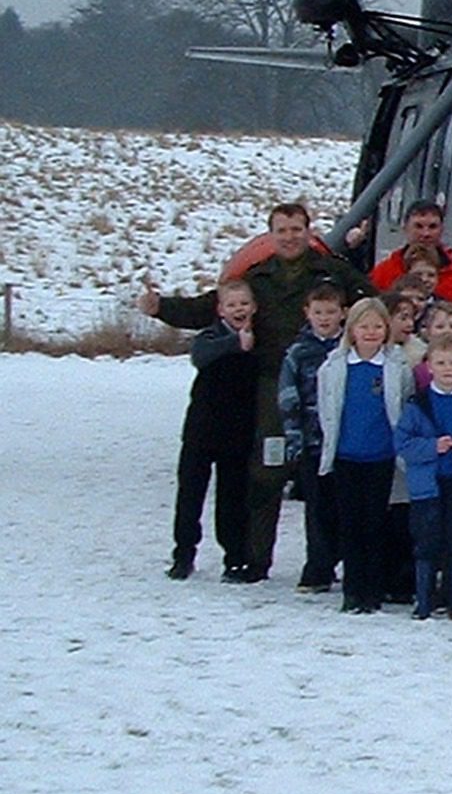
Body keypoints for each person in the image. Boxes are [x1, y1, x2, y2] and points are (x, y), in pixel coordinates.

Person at [140, 202, 373, 583]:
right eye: (282, 230)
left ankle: (323, 564)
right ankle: (254, 559)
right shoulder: (258, 277)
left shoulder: (333, 273)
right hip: (272, 389)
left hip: (325, 386)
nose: (289, 237)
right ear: (271, 235)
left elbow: (372, 305)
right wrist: (161, 307)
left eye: (296, 229)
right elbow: (209, 307)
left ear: (309, 232)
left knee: (324, 478)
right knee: (266, 475)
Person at [314, 298, 409, 614]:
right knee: (350, 524)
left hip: (382, 457)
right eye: (364, 326)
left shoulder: (396, 367)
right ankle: (353, 590)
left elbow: (403, 406)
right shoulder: (334, 367)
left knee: (375, 524)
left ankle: (373, 590)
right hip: (346, 456)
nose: (370, 332)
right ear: (351, 329)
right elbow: (326, 410)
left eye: (377, 326)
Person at [167, 278, 258, 581]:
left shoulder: (260, 340)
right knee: (190, 494)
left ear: (253, 307)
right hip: (202, 430)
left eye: (244, 303)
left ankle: (235, 557)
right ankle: (183, 554)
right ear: (220, 310)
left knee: (233, 498)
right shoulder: (210, 337)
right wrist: (235, 344)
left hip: (238, 432)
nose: (238, 309)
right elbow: (200, 356)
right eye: (231, 305)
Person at [395, 340, 452, 620]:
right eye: (440, 363)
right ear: (428, 367)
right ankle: (423, 601)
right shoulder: (417, 405)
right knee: (426, 543)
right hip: (427, 486)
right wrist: (431, 446)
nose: (447, 369)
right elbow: (402, 443)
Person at [277, 282, 349, 591]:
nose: (324, 318)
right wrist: (294, 438)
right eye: (318, 312)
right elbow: (287, 397)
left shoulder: (349, 350)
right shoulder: (298, 352)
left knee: (344, 505)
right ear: (307, 313)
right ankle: (318, 566)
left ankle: (347, 561)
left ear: (342, 314)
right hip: (313, 441)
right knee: (317, 508)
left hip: (346, 442)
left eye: (330, 312)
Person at [361, 199, 452, 308]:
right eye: (418, 226)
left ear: (442, 230)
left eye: (432, 227)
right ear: (405, 228)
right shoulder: (384, 273)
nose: (426, 234)